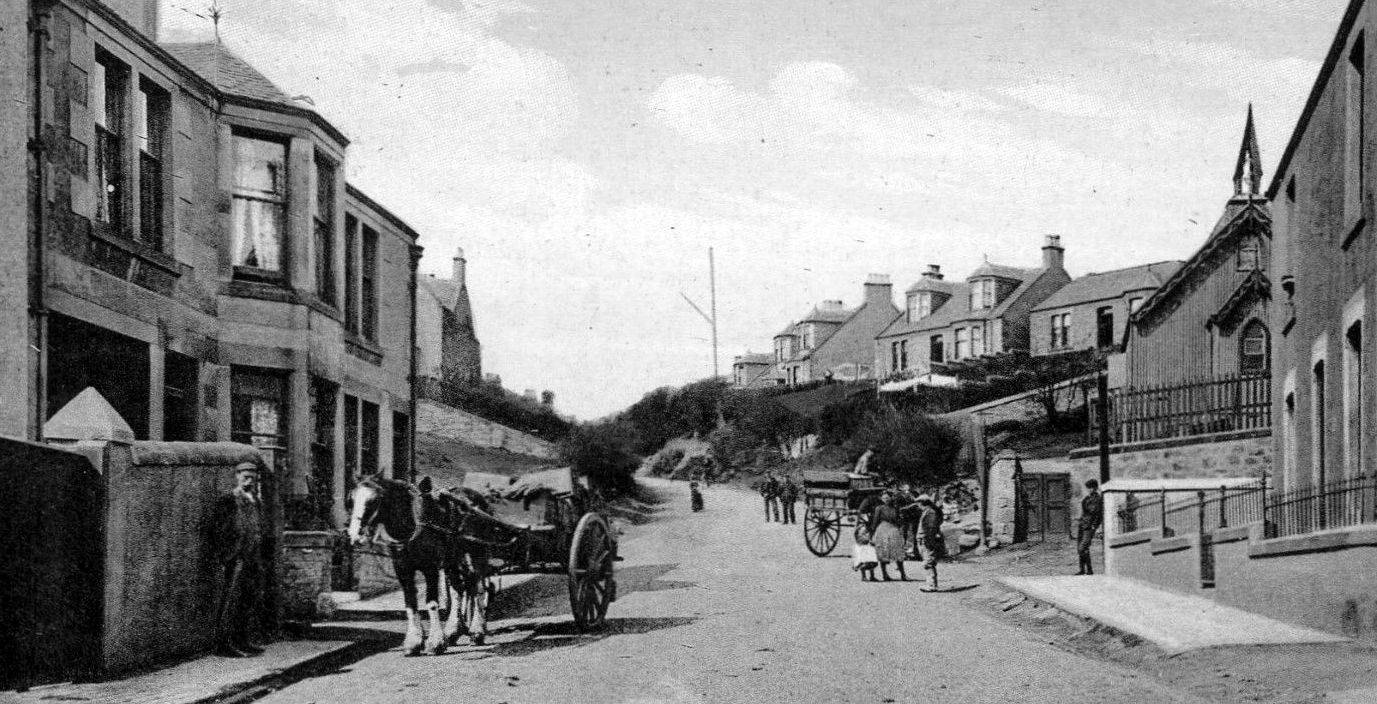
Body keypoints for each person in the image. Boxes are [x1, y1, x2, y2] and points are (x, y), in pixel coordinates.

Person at [211, 461, 269, 657]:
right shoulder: (229, 500)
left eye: (252, 477)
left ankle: (242, 640)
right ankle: (223, 645)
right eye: (245, 477)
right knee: (231, 600)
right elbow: (219, 530)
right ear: (237, 477)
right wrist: (228, 555)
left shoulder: (256, 501)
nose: (248, 481)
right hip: (236, 558)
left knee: (248, 600)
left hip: (253, 558)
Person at [868, 490, 908, 581]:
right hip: (883, 529)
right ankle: (885, 574)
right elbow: (875, 521)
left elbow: (899, 520)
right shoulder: (879, 508)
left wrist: (900, 522)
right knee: (883, 551)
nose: (886, 500)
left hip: (893, 530)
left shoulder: (895, 508)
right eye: (884, 498)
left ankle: (903, 574)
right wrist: (872, 532)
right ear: (881, 499)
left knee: (898, 551)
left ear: (891, 498)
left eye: (887, 498)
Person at [1076, 478, 1104, 576]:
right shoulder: (1088, 498)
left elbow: (1098, 515)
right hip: (1082, 525)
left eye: (1090, 488)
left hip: (1089, 526)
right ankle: (1085, 570)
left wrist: (1094, 526)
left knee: (1081, 548)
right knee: (1083, 548)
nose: (1089, 489)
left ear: (1095, 488)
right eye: (1088, 488)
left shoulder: (1098, 499)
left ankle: (1088, 569)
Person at [916, 495, 943, 592]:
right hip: (924, 539)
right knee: (927, 562)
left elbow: (930, 529)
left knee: (928, 562)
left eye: (918, 503)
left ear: (922, 503)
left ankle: (932, 585)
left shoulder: (930, 512)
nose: (918, 505)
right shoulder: (927, 512)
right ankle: (930, 583)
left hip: (927, 540)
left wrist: (928, 540)